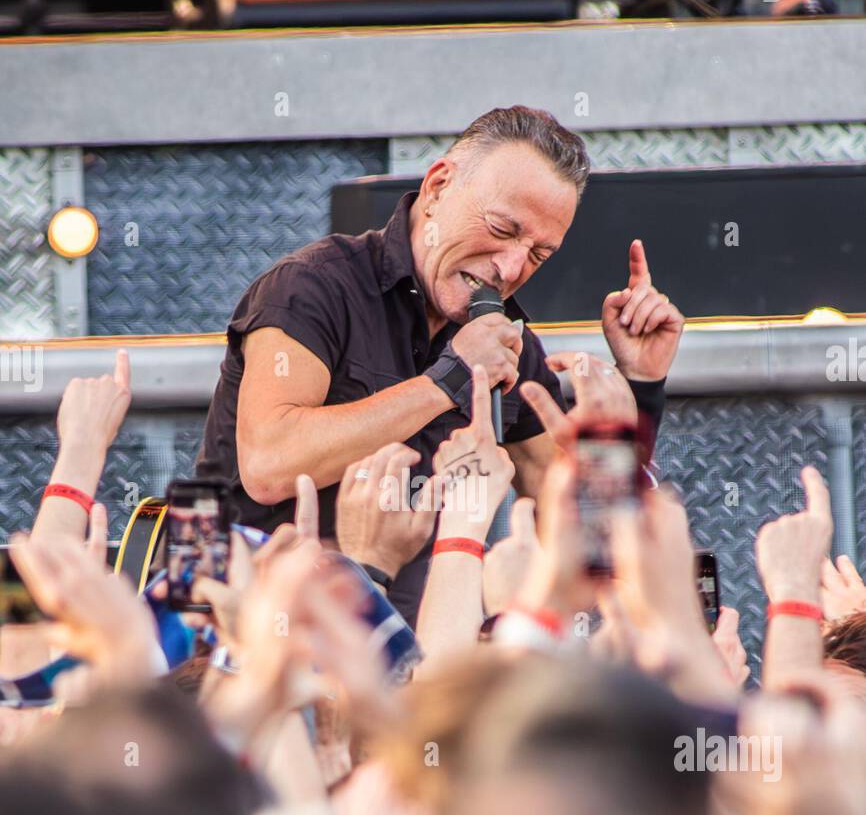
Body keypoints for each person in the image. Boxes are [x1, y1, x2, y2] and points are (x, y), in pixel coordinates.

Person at [196, 105, 683, 624]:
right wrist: (449, 379)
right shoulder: (310, 288)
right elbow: (271, 464)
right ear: (438, 187)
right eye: (502, 227)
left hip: (415, 658)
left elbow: (593, 553)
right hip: (258, 640)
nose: (511, 267)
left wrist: (640, 388)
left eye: (539, 255)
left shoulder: (506, 341)